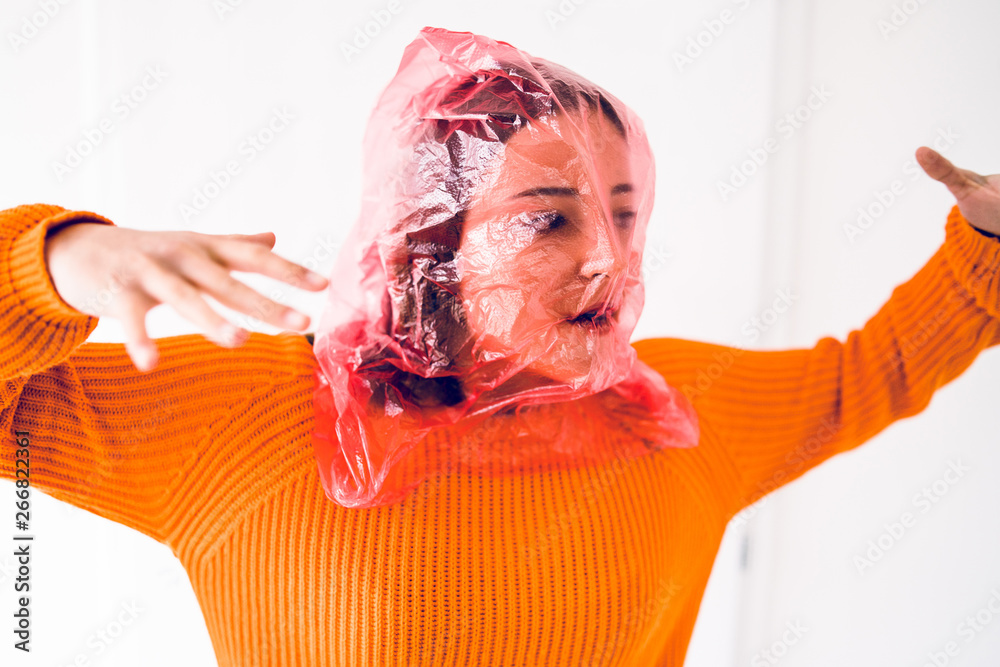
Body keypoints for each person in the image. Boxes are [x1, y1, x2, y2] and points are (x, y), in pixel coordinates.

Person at [2, 25, 999, 667]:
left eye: (623, 212)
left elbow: (875, 370)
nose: (607, 258)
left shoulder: (676, 414)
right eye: (547, 218)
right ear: (431, 242)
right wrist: (61, 263)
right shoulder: (246, 417)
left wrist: (988, 241)